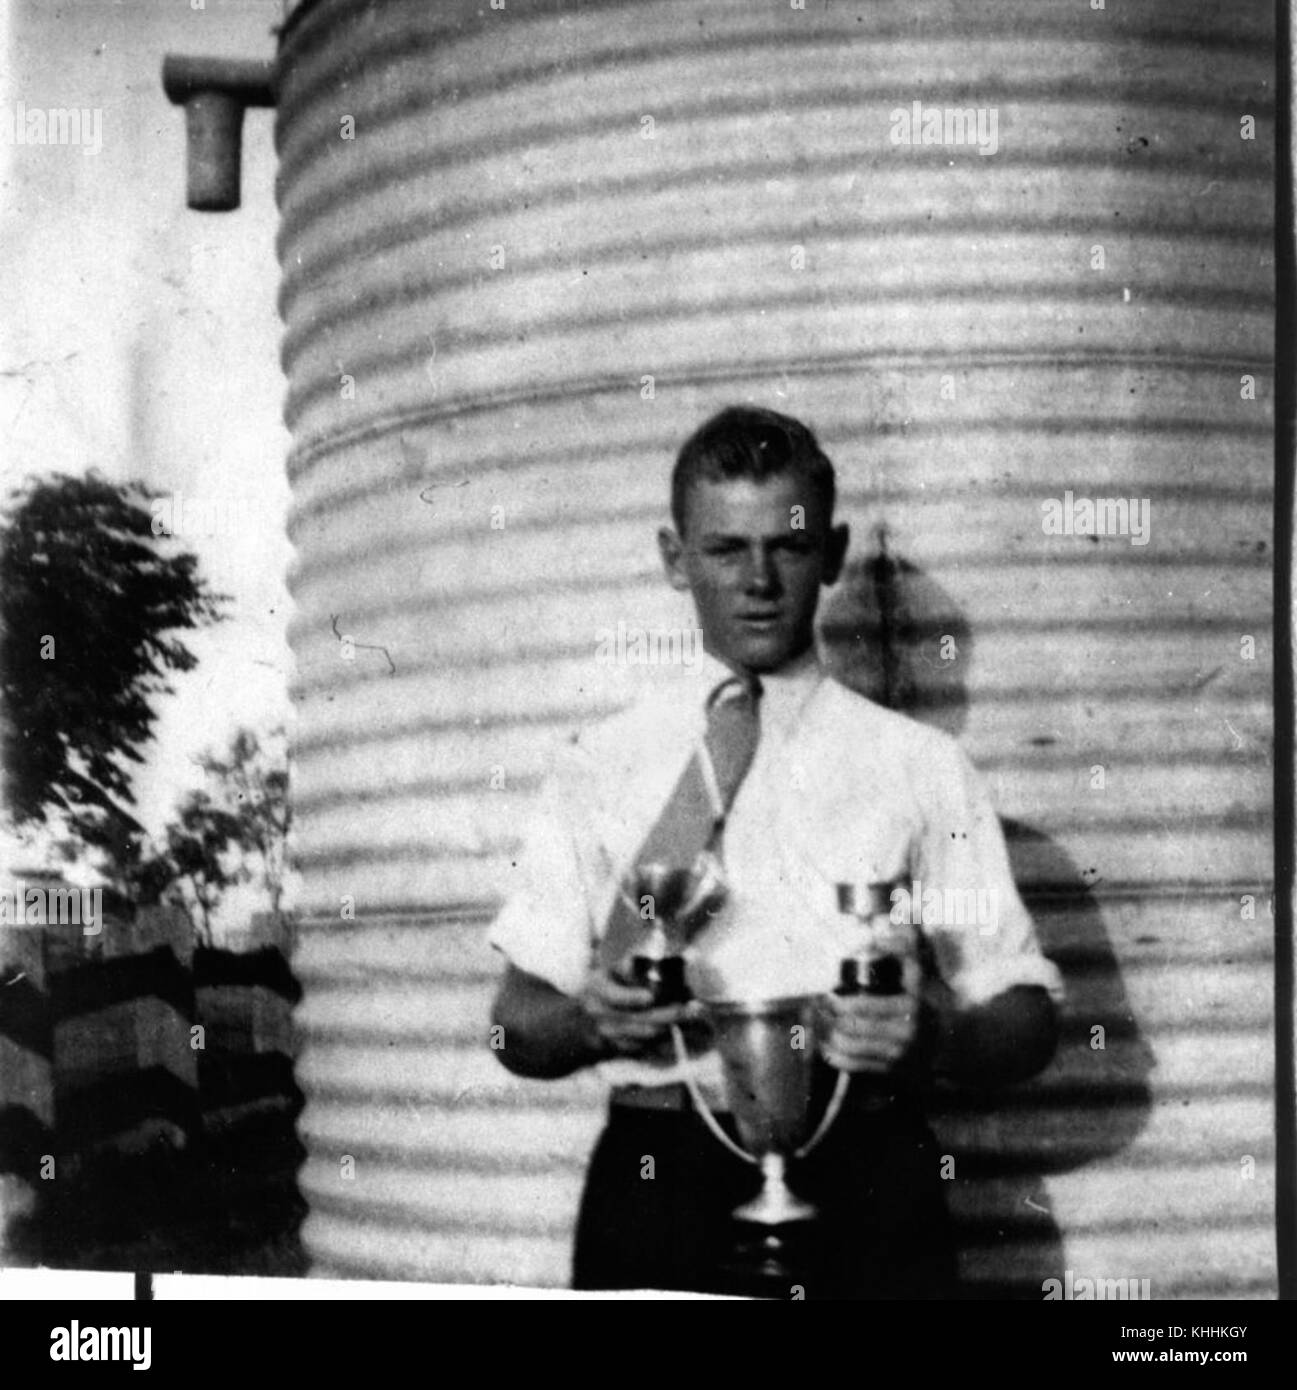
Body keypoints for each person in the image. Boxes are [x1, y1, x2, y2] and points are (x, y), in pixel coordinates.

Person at [488, 405, 1063, 1298]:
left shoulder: (919, 766)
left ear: (829, 555)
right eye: (724, 550)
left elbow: (1027, 1018)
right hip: (661, 1177)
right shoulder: (599, 764)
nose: (758, 580)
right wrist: (589, 1021)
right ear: (673, 559)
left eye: (787, 547)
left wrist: (938, 1037)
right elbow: (511, 1028)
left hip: (871, 1172)